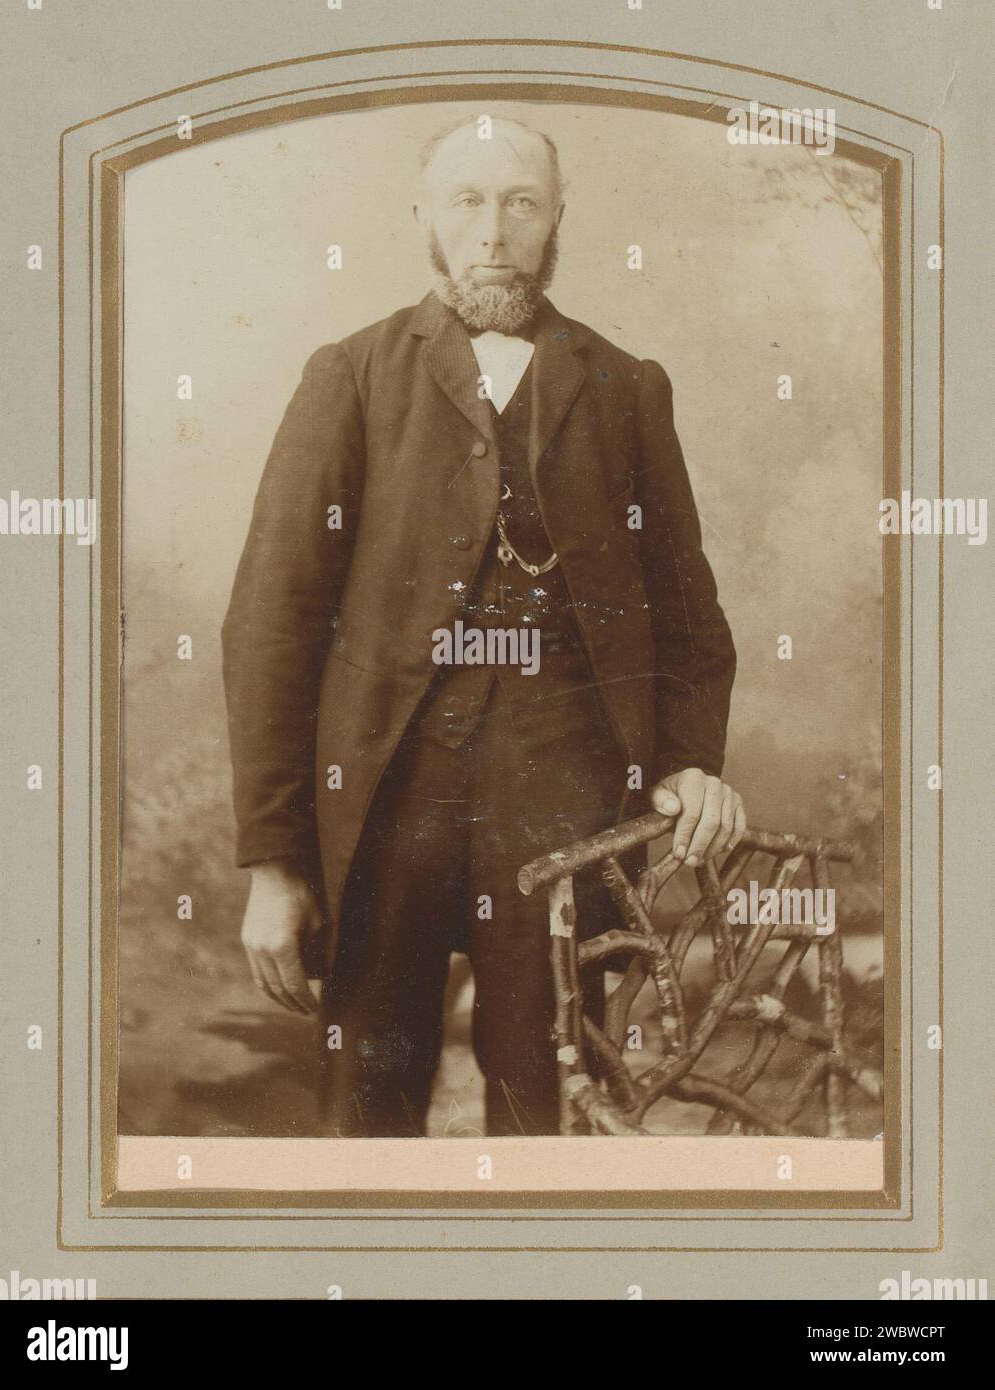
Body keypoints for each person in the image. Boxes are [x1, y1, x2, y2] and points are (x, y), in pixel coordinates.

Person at [221, 115, 744, 1137]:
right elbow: (268, 626)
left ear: (556, 222)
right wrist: (274, 863)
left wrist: (686, 762)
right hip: (382, 809)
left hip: (567, 810)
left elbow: (687, 615)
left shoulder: (625, 387)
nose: (494, 230)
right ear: (424, 216)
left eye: (521, 203)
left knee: (543, 1109)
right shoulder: (354, 375)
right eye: (467, 200)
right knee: (364, 1124)